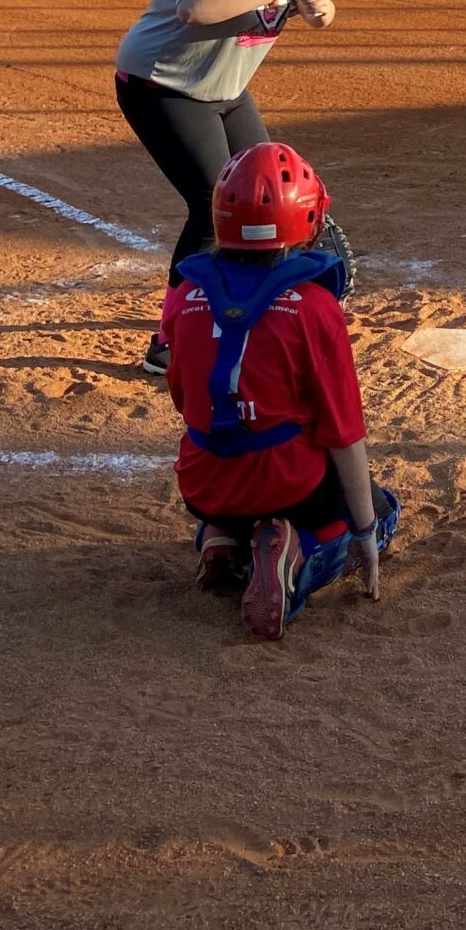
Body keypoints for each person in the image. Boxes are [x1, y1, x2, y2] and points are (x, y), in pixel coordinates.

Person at [115, 0, 336, 371]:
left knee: (270, 196)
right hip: (163, 86)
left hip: (224, 91)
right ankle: (168, 342)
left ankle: (253, 304)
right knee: (216, 211)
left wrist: (317, 4)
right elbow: (196, 8)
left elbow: (318, 15)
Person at [162, 142, 399, 643]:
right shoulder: (313, 306)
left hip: (206, 484)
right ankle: (293, 557)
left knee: (236, 454)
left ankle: (222, 537)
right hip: (285, 481)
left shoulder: (185, 294)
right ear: (306, 220)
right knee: (381, 512)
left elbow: (184, 399)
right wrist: (364, 531)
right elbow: (343, 434)